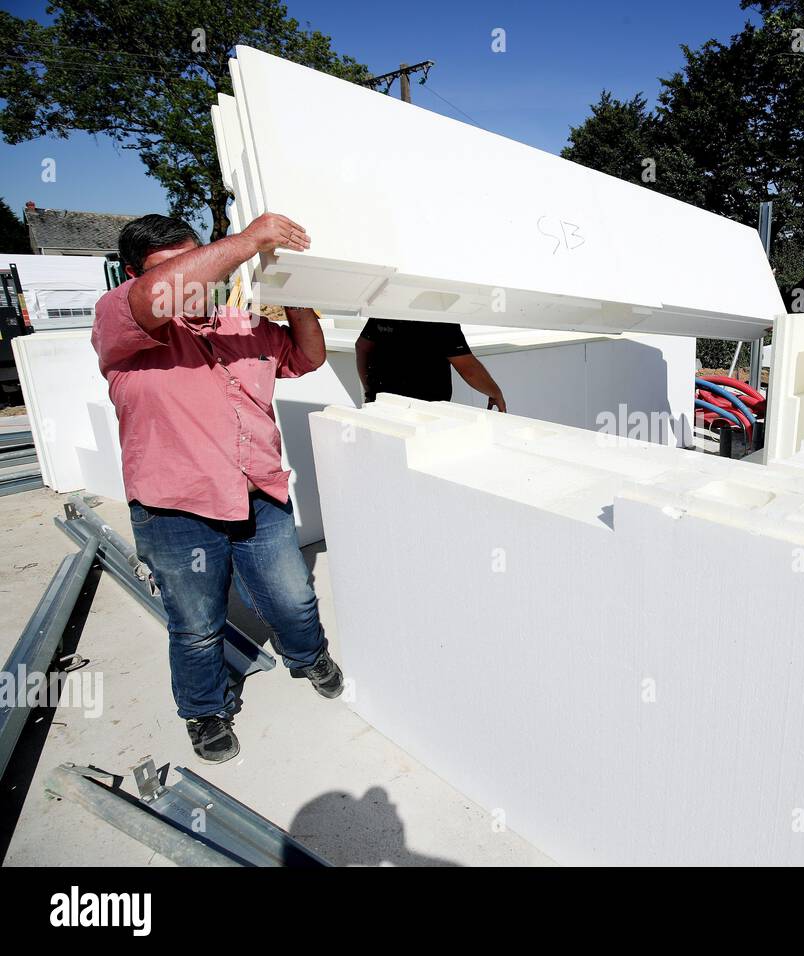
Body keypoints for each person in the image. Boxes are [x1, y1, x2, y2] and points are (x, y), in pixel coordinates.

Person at [91, 211, 344, 764]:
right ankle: (205, 711)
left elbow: (309, 356)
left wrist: (294, 291)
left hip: (260, 494)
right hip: (175, 509)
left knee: (294, 600)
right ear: (132, 275)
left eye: (194, 260)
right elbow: (161, 294)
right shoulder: (119, 320)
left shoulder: (241, 326)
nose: (194, 281)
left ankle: (309, 657)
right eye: (172, 269)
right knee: (197, 625)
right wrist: (249, 239)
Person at [354, 317, 507, 411]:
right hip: (425, 415)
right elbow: (468, 370)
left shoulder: (389, 308)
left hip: (383, 407)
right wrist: (495, 393)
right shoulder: (440, 318)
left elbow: (362, 347)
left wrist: (371, 392)